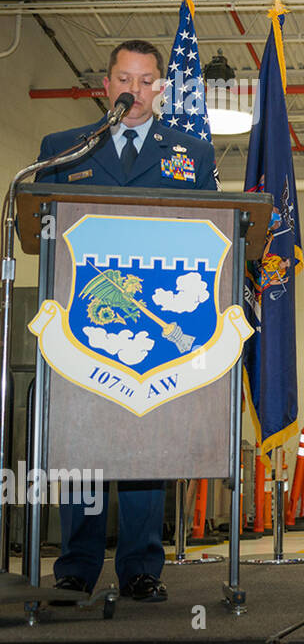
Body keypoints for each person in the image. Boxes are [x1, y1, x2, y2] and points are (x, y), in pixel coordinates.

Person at [39, 39, 219, 603]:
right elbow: (40, 224)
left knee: (147, 442)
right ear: (105, 83)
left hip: (156, 324)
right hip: (81, 322)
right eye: (125, 79)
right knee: (84, 441)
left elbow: (212, 225)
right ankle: (77, 564)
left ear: (161, 89)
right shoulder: (64, 147)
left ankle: (142, 567)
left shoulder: (190, 151)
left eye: (146, 82)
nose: (134, 92)